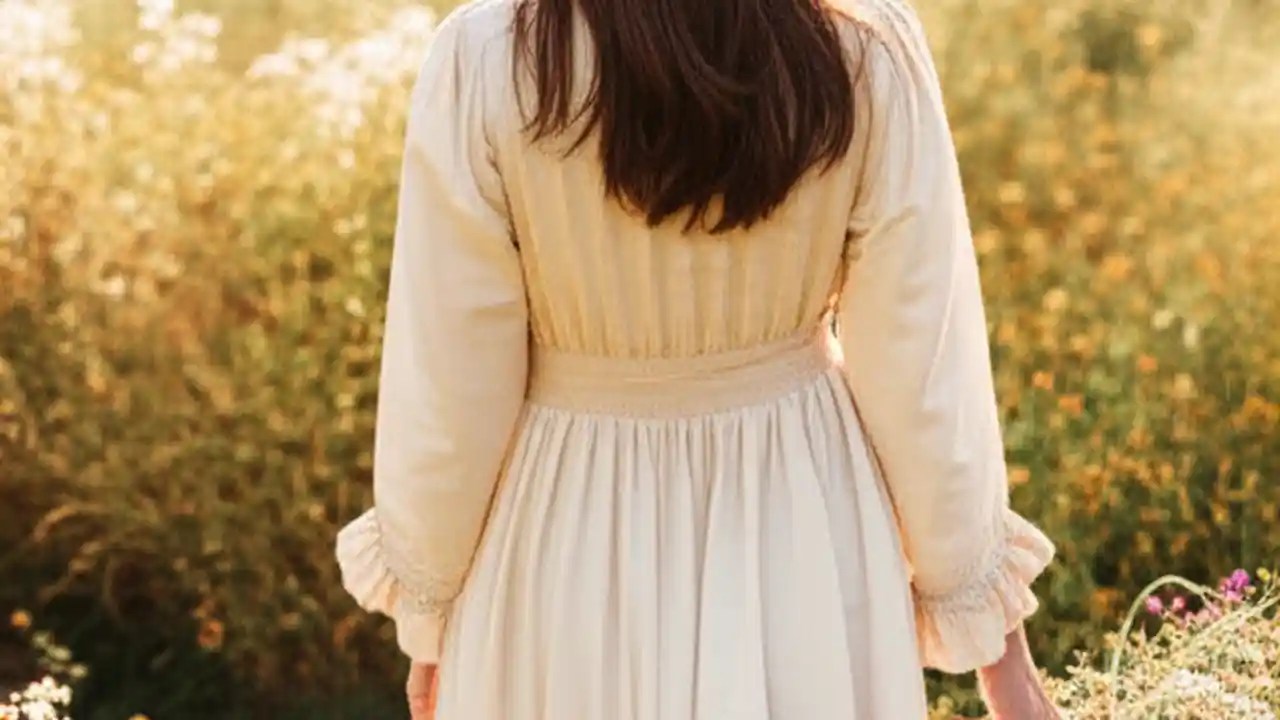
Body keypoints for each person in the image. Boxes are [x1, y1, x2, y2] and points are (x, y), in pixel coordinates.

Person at [335, 0, 1060, 716]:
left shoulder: (486, 57)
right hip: (803, 518)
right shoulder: (864, 48)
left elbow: (451, 390)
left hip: (561, 537)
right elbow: (922, 377)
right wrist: (1004, 662)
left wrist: (428, 627)